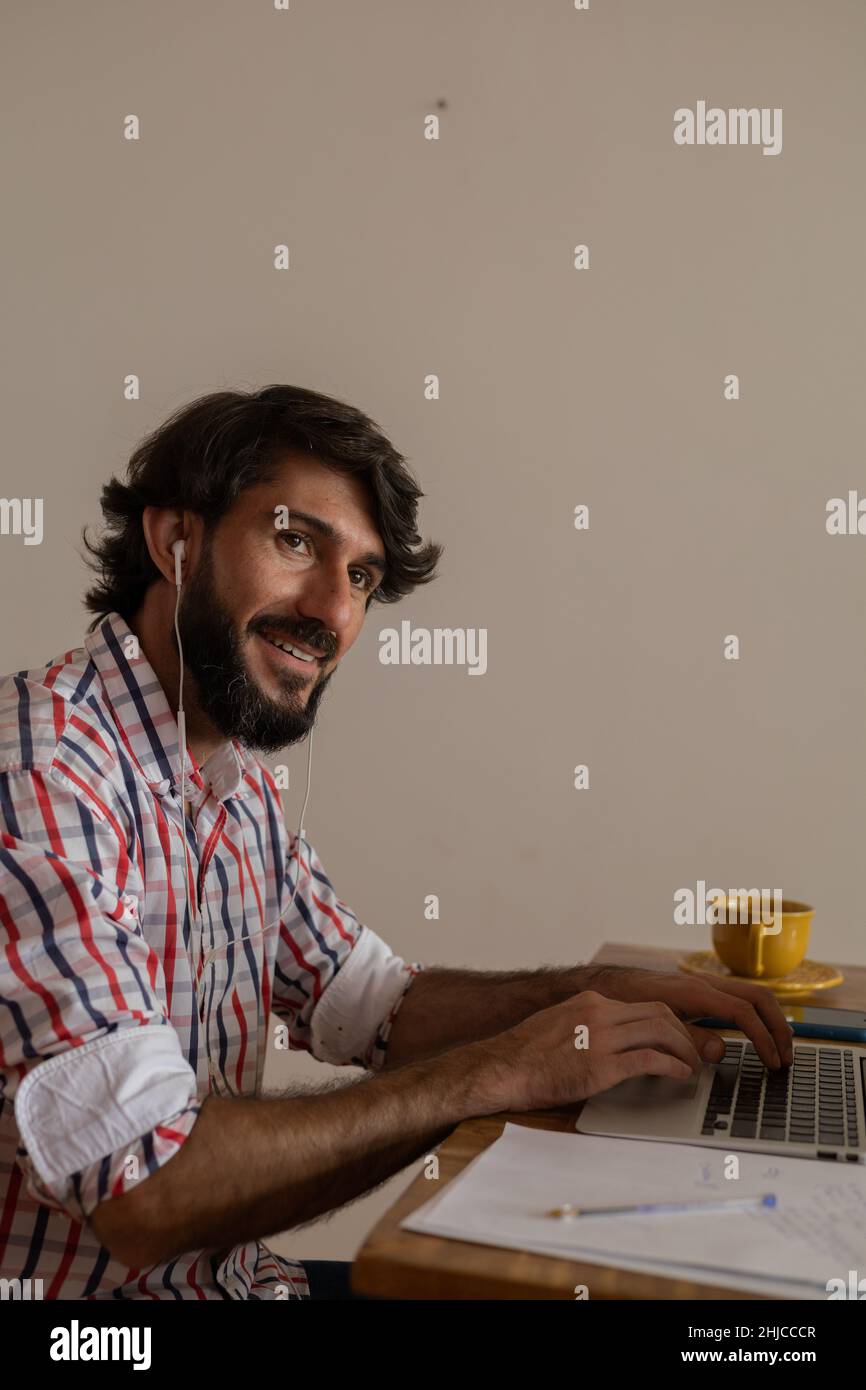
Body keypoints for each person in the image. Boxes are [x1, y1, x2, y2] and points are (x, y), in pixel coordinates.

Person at [0, 384, 795, 1300]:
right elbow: (148, 1189)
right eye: (297, 542)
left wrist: (588, 993)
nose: (332, 612)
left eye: (363, 579)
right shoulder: (42, 773)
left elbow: (372, 1004)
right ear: (175, 540)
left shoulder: (229, 779)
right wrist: (500, 1072)